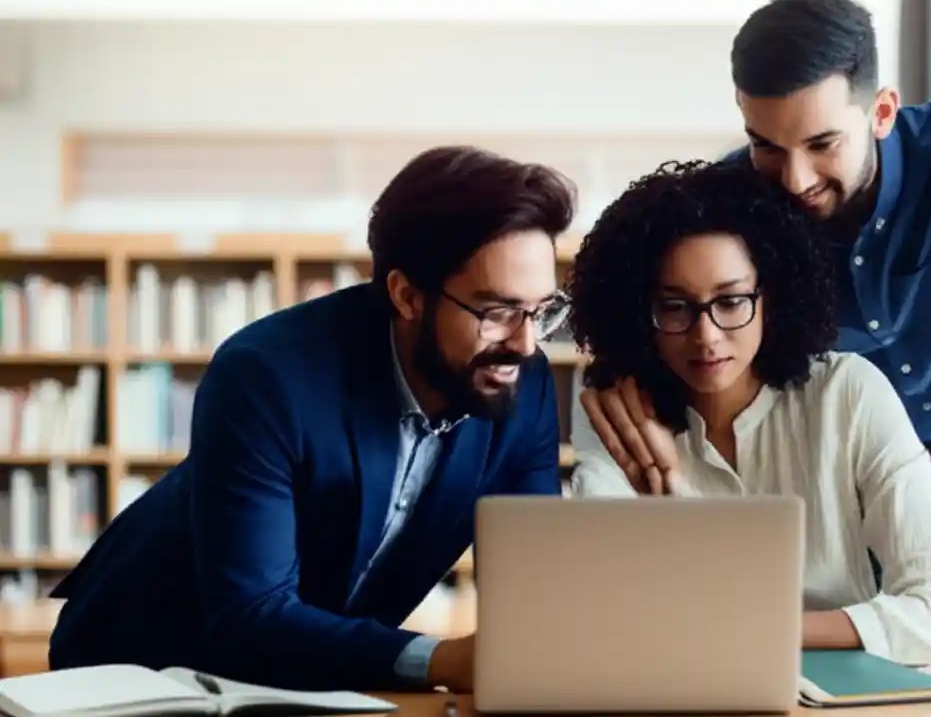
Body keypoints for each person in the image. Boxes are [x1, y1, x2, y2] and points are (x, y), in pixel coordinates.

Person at [584, 0, 931, 665]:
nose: (795, 179)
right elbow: (655, 293)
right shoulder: (743, 193)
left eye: (822, 144)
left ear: (882, 111)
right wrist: (610, 381)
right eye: (767, 147)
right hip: (871, 498)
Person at [48, 146, 576, 692]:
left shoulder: (522, 381)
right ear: (407, 295)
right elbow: (251, 614)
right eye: (498, 312)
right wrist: (444, 660)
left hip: (316, 677)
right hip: (141, 666)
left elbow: (530, 592)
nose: (526, 342)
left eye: (542, 311)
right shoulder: (266, 375)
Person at [567, 159, 931, 666]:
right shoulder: (618, 412)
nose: (707, 336)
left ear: (773, 295)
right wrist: (668, 498)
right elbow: (610, 622)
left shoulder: (846, 393)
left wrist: (766, 629)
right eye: (675, 307)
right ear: (639, 313)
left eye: (732, 300)